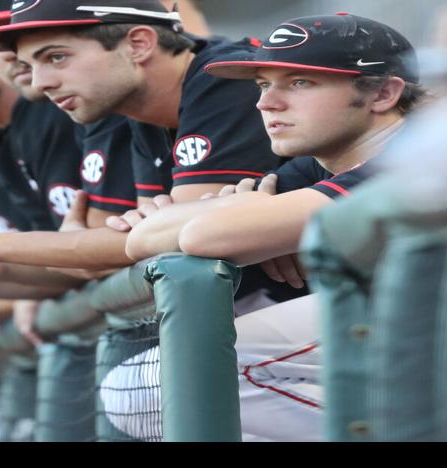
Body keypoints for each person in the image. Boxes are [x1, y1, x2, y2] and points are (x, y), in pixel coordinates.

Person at [102, 13, 427, 441]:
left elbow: (201, 235)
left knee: (159, 379)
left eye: (300, 83)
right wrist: (248, 211)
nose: (266, 103)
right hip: (422, 339)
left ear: (383, 93)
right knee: (155, 381)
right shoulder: (316, 164)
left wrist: (245, 212)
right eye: (262, 84)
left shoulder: (419, 151)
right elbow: (141, 240)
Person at [0, 0, 288, 310]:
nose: (41, 83)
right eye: (30, 64)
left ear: (138, 44)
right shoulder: (142, 112)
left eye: (56, 57)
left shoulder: (222, 78)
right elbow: (122, 246)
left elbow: (178, 237)